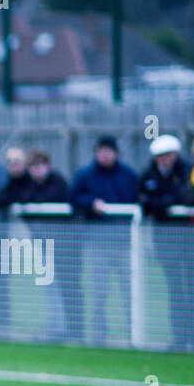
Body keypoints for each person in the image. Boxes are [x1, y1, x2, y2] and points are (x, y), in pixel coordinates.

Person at [66, 135, 139, 345]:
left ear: (115, 152)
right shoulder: (86, 175)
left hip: (125, 244)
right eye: (101, 150)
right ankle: (99, 337)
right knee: (98, 293)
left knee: (129, 292)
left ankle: (134, 335)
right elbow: (72, 197)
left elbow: (139, 198)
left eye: (109, 150)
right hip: (97, 244)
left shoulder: (128, 175)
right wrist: (91, 203)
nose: (105, 155)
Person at [137, 135, 194, 350]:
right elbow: (143, 200)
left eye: (168, 155)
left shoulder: (189, 171)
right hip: (165, 241)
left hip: (191, 242)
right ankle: (179, 336)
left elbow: (186, 197)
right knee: (175, 290)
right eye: (160, 156)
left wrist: (161, 203)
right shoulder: (149, 174)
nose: (164, 160)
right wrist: (163, 204)